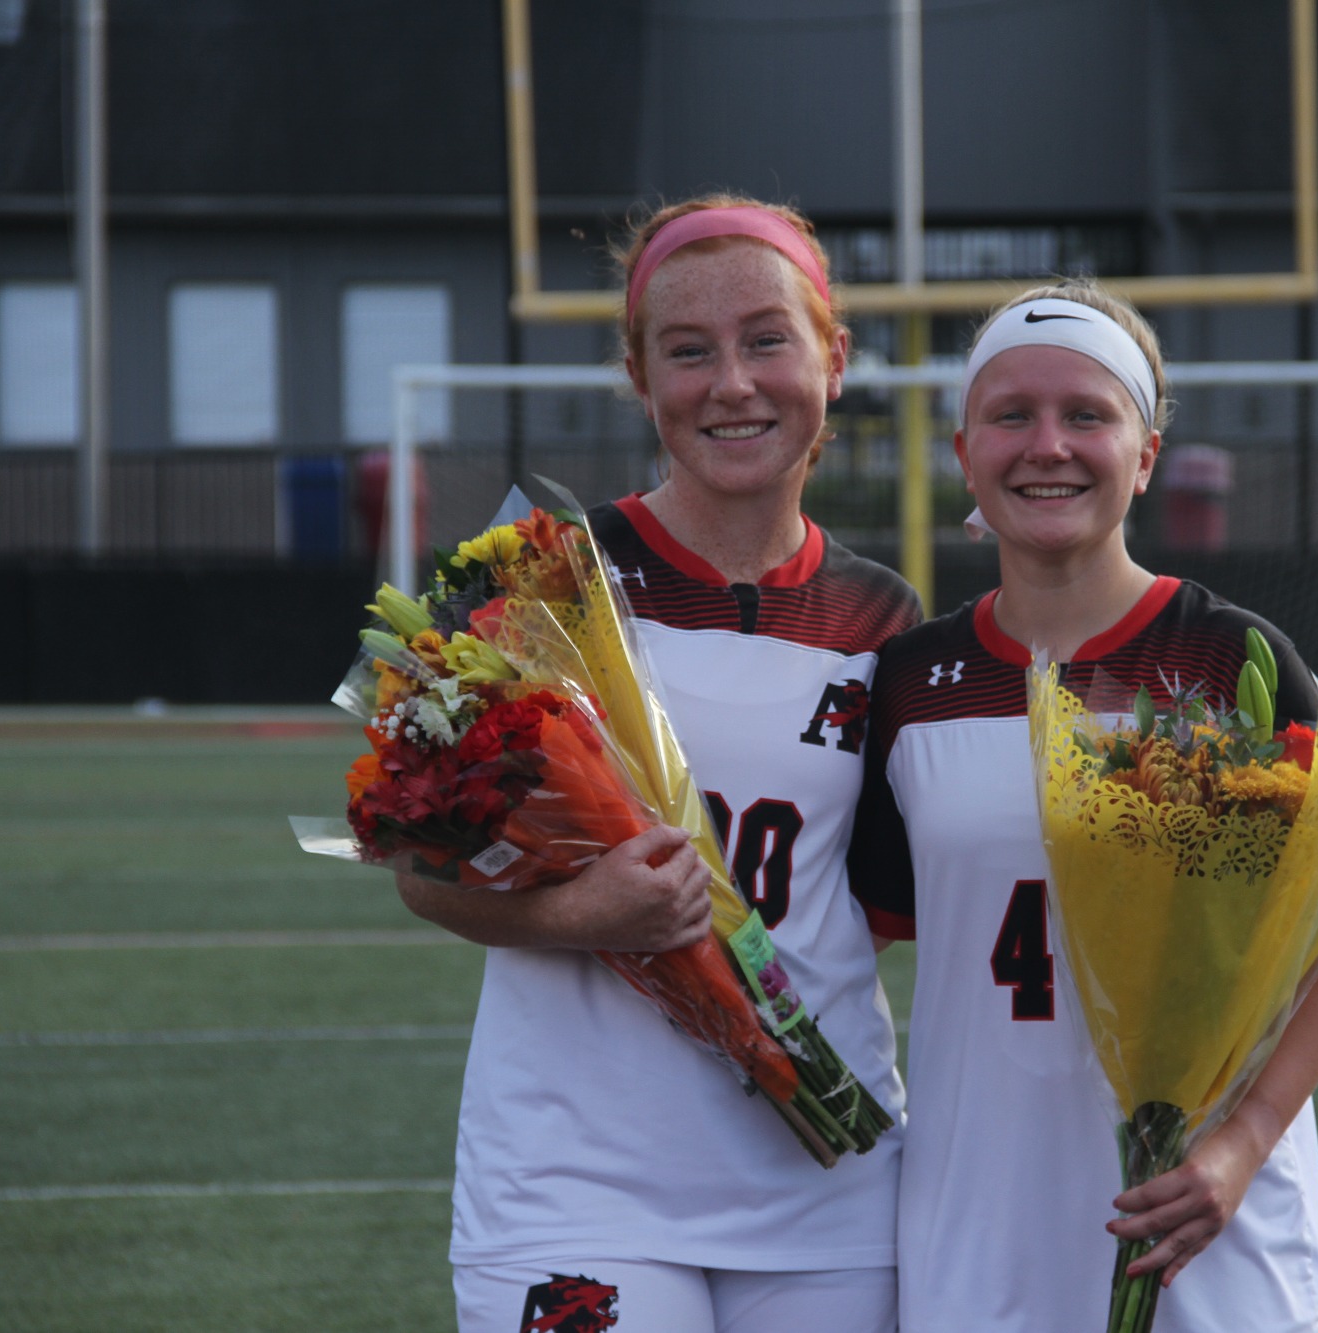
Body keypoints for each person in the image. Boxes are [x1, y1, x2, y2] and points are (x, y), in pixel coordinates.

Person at [397, 195, 922, 1333]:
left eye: (766, 339)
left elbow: (881, 904)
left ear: (832, 359)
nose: (731, 383)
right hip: (574, 1183)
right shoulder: (532, 584)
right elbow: (422, 873)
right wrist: (583, 910)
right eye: (688, 351)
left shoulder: (886, 617)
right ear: (638, 378)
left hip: (826, 1186)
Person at [849, 279, 1318, 1331]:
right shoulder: (907, 682)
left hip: (1201, 1224)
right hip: (982, 1216)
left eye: (1086, 415)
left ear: (1143, 456)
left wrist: (1236, 1150)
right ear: (963, 452)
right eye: (1011, 415)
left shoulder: (1232, 656)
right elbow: (857, 941)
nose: (1045, 444)